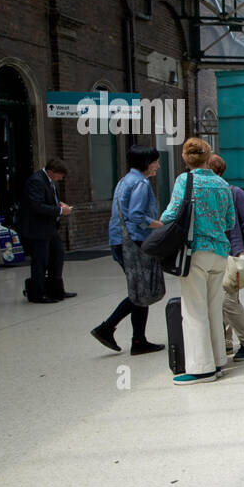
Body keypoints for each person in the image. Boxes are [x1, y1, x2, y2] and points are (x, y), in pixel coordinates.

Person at [160, 138, 236, 385]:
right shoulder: (222, 183)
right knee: (214, 308)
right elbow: (230, 223)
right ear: (208, 156)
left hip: (196, 253)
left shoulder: (185, 181)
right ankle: (217, 362)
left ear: (185, 158)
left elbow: (170, 214)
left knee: (194, 310)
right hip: (220, 253)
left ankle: (201, 368)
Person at [91, 145, 165, 354]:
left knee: (139, 291)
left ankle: (138, 340)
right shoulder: (141, 183)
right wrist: (158, 225)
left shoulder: (125, 181)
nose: (158, 166)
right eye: (155, 162)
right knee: (140, 292)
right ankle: (108, 328)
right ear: (146, 163)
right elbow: (136, 216)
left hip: (120, 241)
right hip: (134, 243)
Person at [209, 154, 244, 361]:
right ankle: (227, 342)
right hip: (214, 253)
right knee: (218, 300)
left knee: (228, 301)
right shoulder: (209, 194)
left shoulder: (236, 193)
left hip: (234, 253)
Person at [18, 158, 75, 303]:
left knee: (57, 256)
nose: (60, 179)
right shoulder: (36, 181)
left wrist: (59, 205)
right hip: (38, 229)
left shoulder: (49, 182)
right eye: (60, 175)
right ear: (51, 172)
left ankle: (55, 289)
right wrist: (60, 211)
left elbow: (49, 201)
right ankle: (37, 292)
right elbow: (37, 206)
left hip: (49, 228)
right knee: (40, 261)